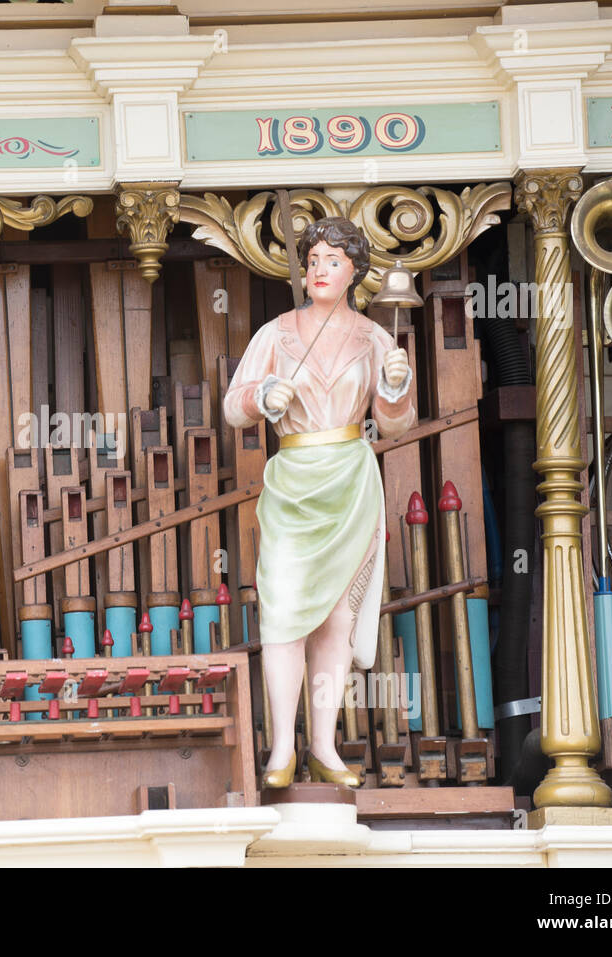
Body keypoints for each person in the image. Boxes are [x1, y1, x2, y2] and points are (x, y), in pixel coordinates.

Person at [223, 216, 416, 788]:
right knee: (282, 612)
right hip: (293, 478)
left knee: (336, 615)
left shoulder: (378, 338)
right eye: (312, 263)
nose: (320, 272)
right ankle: (282, 746)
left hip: (351, 477)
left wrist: (395, 387)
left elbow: (395, 427)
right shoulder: (275, 333)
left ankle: (324, 747)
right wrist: (262, 394)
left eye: (332, 261)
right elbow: (233, 408)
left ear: (354, 269)